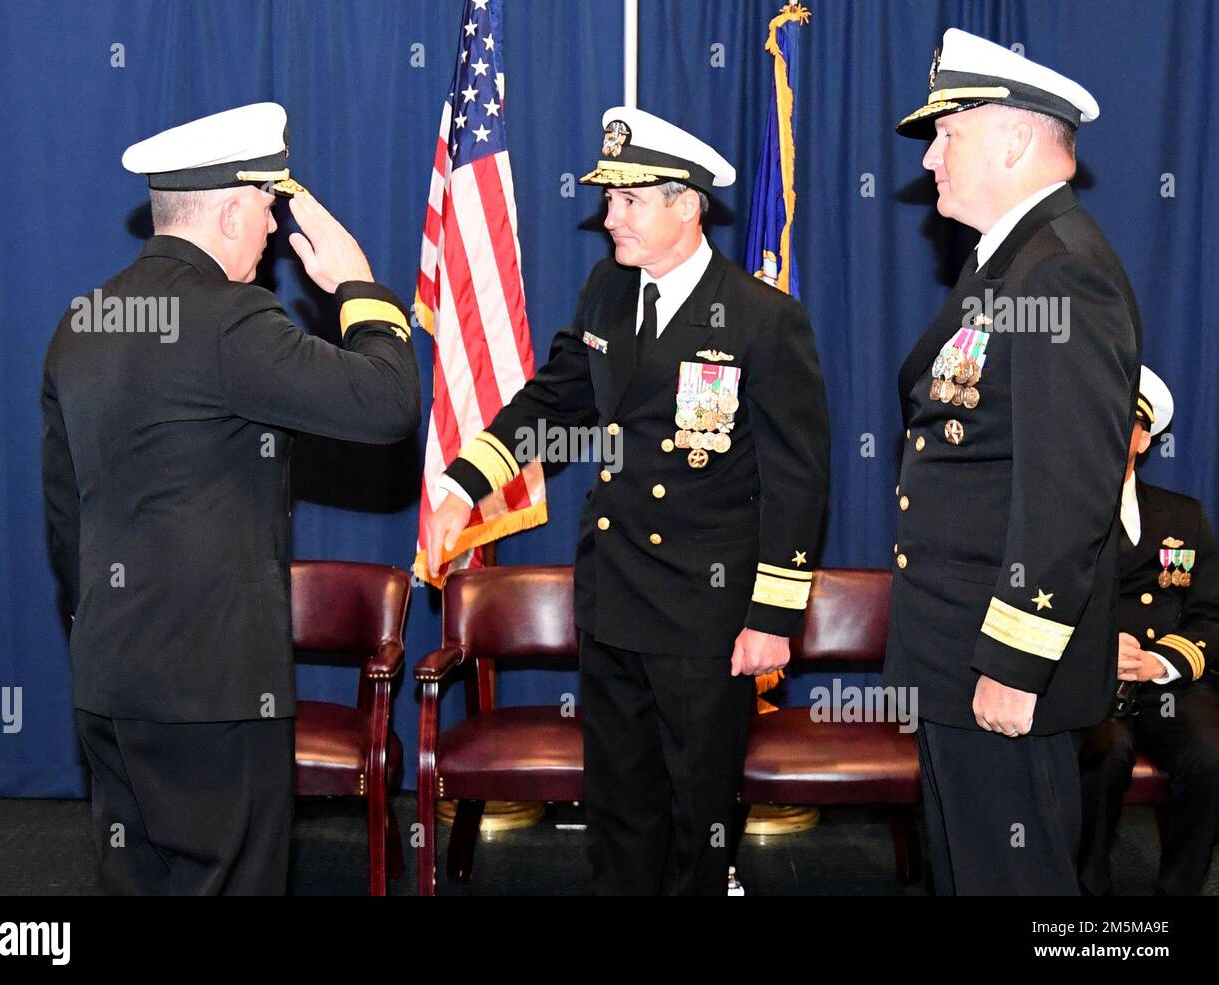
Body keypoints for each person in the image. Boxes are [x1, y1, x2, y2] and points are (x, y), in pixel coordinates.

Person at [425, 107, 829, 895]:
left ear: (687, 205)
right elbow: (555, 398)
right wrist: (461, 484)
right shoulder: (609, 289)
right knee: (618, 803)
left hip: (704, 612)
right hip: (613, 595)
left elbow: (799, 477)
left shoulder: (762, 319)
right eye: (609, 200)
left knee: (696, 805)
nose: (609, 218)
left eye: (630, 201)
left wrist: (774, 618)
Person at [41, 102, 421, 894]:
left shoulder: (83, 321)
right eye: (270, 209)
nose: (277, 231)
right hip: (215, 691)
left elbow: (64, 518)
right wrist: (359, 283)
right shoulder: (230, 318)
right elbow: (386, 403)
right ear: (229, 209)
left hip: (111, 681)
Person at [885, 29, 1142, 894]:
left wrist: (1014, 661)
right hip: (955, 648)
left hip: (996, 662)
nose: (931, 161)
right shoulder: (1008, 265)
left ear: (1017, 139)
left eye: (947, 134)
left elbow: (1067, 490)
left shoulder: (1061, 274)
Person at [1078, 367, 1219, 896]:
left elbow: (1210, 613)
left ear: (1145, 437)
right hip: (1084, 684)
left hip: (1168, 686)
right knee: (1104, 753)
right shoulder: (1053, 511)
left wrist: (1161, 662)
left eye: (1128, 424)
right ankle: (1085, 895)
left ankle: (1178, 893)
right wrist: (1093, 650)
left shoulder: (1184, 515)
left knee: (1211, 754)